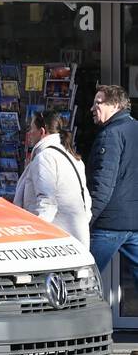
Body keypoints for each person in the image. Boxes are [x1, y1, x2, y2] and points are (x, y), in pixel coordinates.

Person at [86, 84, 138, 290]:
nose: (92, 108)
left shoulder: (111, 135)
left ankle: (79, 320)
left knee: (83, 279)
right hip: (134, 223)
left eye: (98, 103)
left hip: (110, 223)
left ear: (115, 105)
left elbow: (103, 184)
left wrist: (88, 217)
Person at [13, 110, 90, 243]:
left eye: (31, 129)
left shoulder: (45, 157)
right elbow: (86, 202)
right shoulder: (72, 157)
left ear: (42, 132)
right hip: (75, 237)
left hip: (54, 239)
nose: (29, 133)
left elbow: (47, 203)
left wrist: (33, 236)